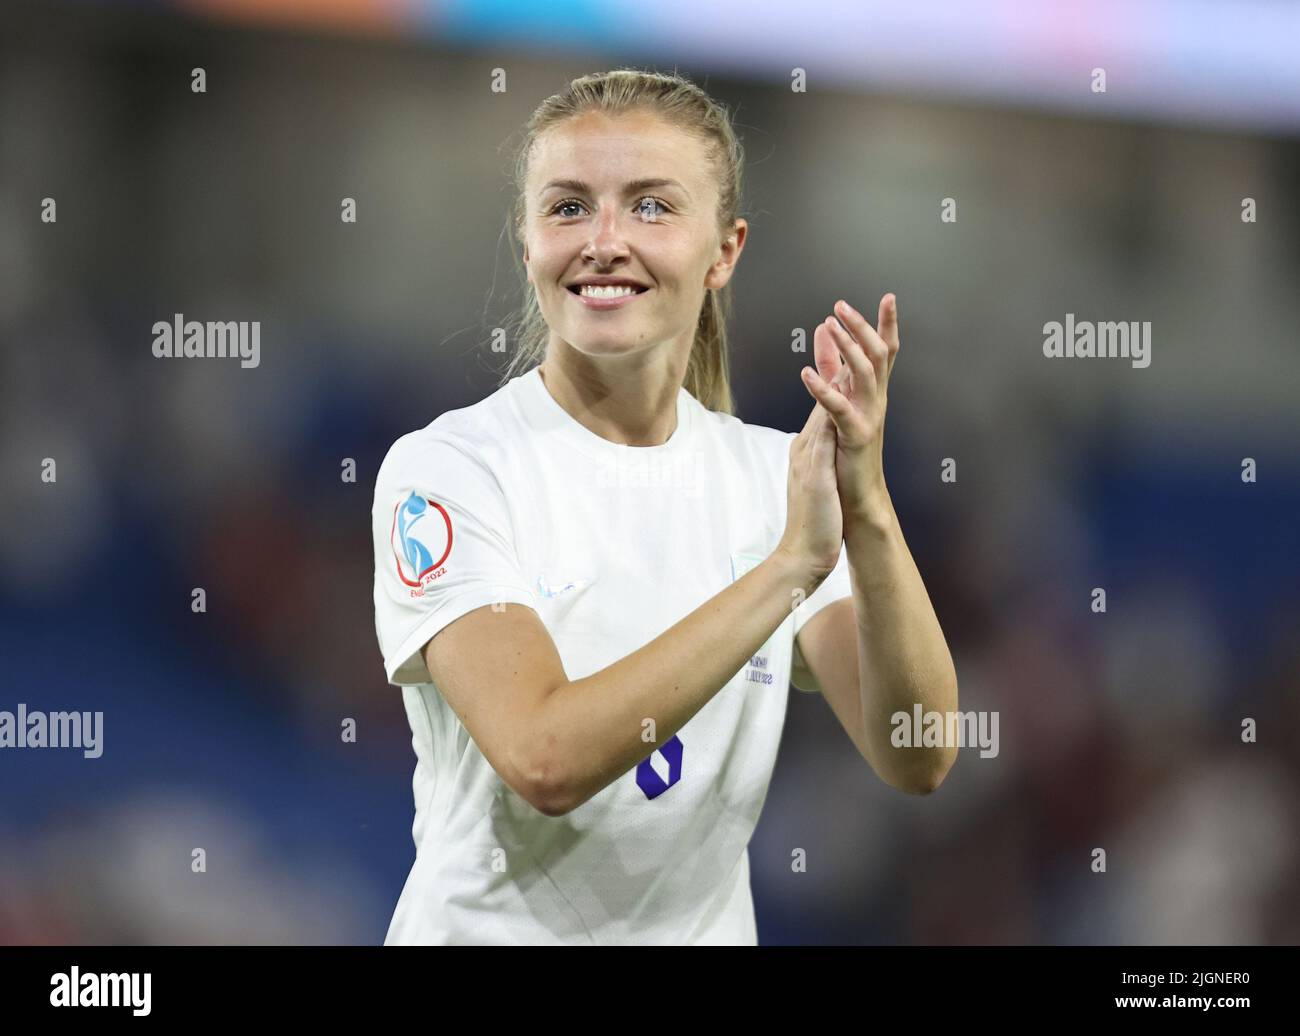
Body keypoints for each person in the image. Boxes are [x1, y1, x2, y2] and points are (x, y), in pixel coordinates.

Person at [371, 69, 958, 945]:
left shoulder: (776, 480)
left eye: (651, 207)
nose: (605, 241)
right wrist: (789, 568)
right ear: (525, 240)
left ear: (725, 251)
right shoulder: (450, 471)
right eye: (569, 207)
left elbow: (917, 754)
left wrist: (866, 504)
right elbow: (546, 758)